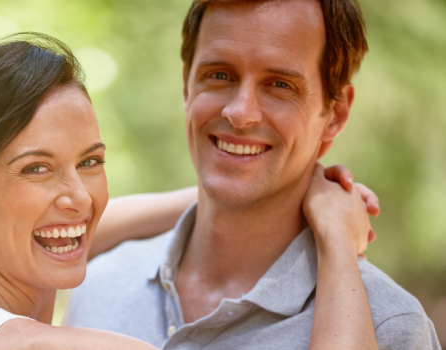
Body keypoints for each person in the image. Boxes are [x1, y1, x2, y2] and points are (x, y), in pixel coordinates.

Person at [0, 33, 380, 350]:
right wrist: (334, 237)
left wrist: (262, 188)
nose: (78, 198)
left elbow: (94, 223)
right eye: (36, 170)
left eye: (90, 161)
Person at [64, 0, 442, 349]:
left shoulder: (390, 327)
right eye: (220, 74)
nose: (240, 112)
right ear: (186, 84)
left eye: (280, 85)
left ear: (336, 114)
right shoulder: (98, 286)